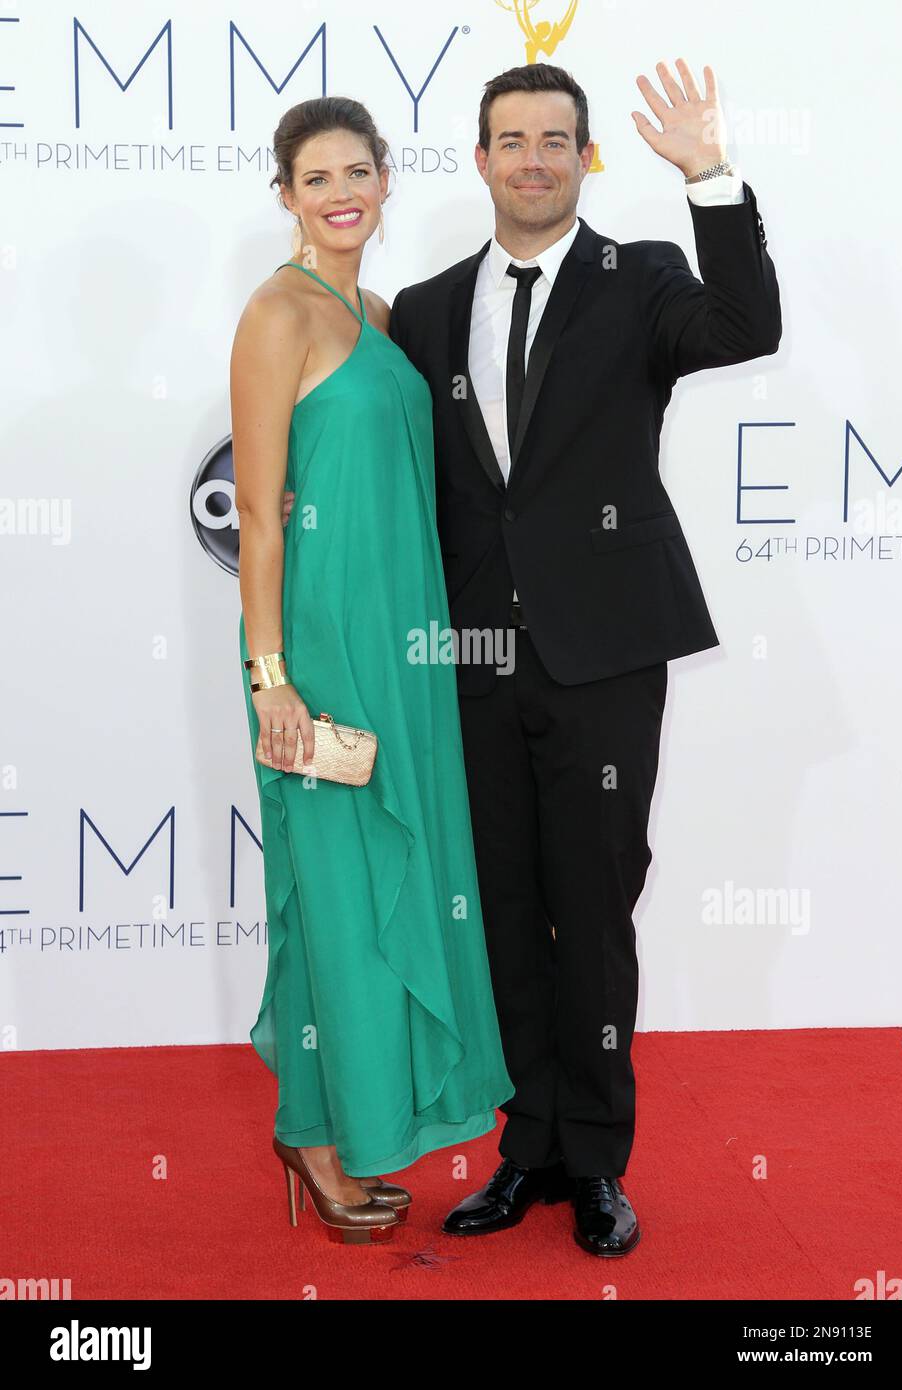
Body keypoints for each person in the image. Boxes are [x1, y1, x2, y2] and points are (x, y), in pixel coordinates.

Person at [360, 59, 781, 1256]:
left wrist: (709, 175)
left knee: (591, 908)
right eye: (511, 139)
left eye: (556, 139)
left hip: (602, 651)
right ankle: (526, 1146)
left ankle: (596, 1162)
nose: (533, 158)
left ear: (585, 158)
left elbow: (748, 325)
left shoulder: (641, 277)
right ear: (480, 158)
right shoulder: (430, 305)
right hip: (474, 652)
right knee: (499, 908)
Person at [233, 96, 514, 1246]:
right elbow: (257, 515)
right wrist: (271, 678)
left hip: (405, 649)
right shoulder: (276, 314)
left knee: (388, 881)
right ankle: (313, 1132)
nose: (342, 191)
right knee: (336, 897)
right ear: (286, 196)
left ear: (386, 181)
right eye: (317, 177)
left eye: (360, 170)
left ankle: (339, 1124)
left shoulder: (383, 313)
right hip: (318, 651)